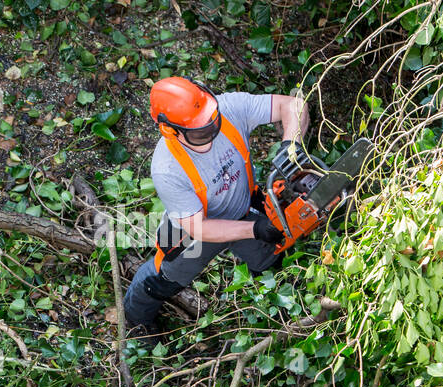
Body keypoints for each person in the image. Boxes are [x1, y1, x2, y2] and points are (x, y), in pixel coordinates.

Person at [122, 76, 309, 337]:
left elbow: (292, 105)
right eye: (201, 131)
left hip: (244, 209)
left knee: (271, 261)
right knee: (164, 280)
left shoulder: (228, 107)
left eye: (213, 122)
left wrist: (291, 148)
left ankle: (278, 310)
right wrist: (255, 229)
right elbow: (199, 228)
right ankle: (137, 323)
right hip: (192, 233)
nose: (212, 131)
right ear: (171, 130)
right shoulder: (167, 168)